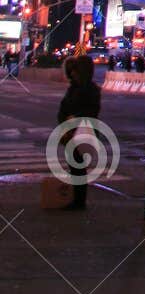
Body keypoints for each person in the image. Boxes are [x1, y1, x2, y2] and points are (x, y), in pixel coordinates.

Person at [56, 54, 102, 211]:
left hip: (83, 131)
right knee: (74, 166)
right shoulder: (73, 87)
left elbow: (92, 110)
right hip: (70, 131)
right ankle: (76, 199)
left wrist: (75, 117)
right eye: (71, 71)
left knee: (78, 166)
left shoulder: (90, 89)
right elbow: (64, 107)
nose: (73, 73)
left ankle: (79, 201)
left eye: (75, 70)